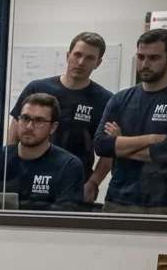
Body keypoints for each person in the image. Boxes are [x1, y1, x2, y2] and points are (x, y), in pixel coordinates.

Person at [93, 28, 167, 214]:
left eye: (153, 58)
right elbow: (102, 145)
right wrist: (152, 139)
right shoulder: (120, 99)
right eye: (140, 57)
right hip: (119, 200)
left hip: (166, 204)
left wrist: (120, 146)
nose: (144, 64)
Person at [8, 32, 113, 203]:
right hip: (27, 176)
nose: (80, 62)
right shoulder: (38, 87)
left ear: (98, 63)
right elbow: (15, 129)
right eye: (77, 55)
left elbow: (109, 151)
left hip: (74, 182)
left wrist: (93, 182)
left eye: (89, 58)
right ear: (68, 55)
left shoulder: (104, 100)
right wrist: (9, 168)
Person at [0, 93, 85, 210]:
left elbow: (64, 218)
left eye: (39, 120)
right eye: (25, 118)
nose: (29, 127)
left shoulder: (69, 166)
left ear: (53, 127)